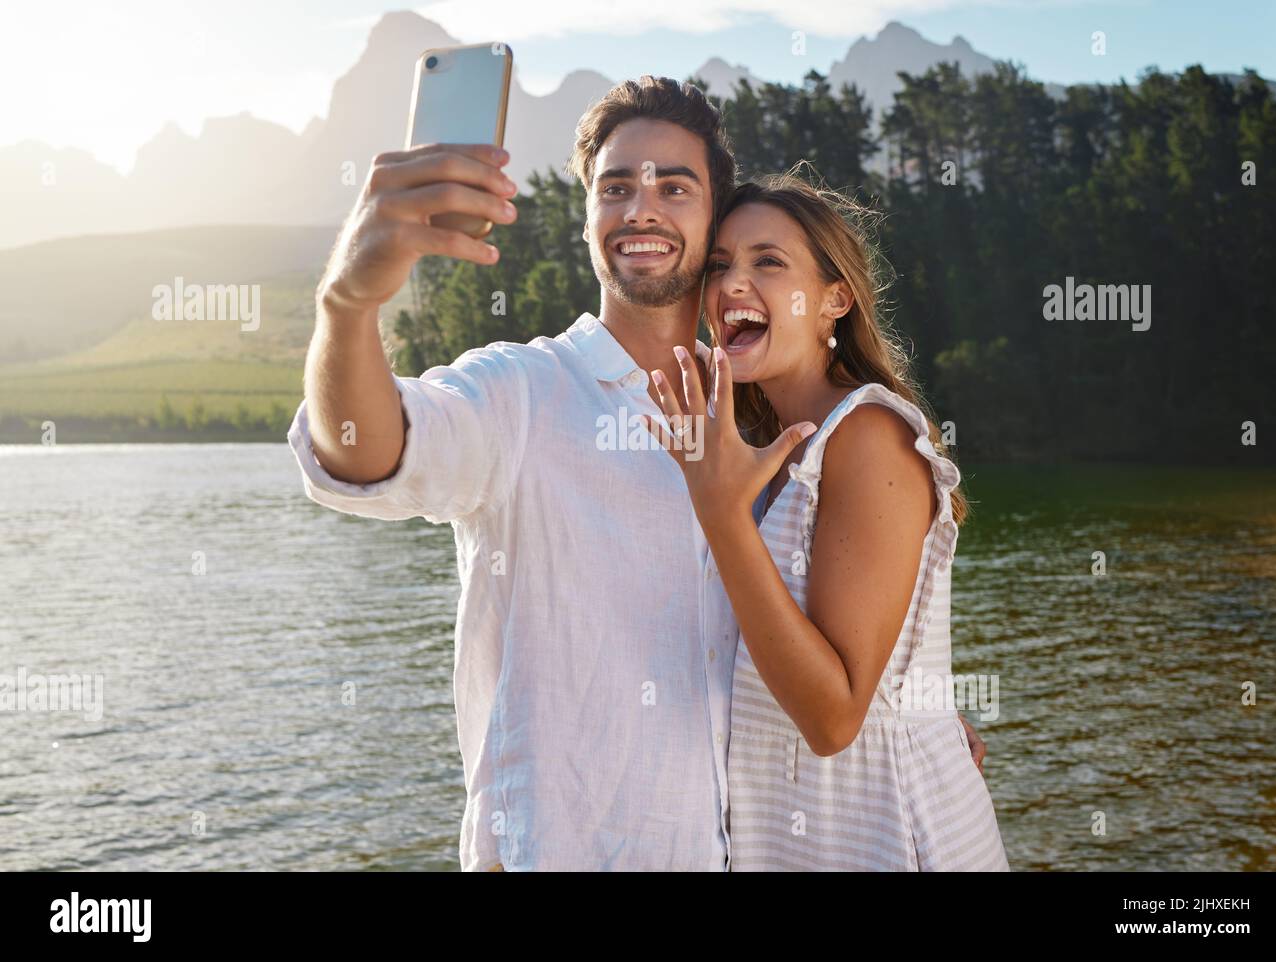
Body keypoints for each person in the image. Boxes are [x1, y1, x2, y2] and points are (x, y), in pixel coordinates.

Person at [287, 76, 986, 871]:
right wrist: (346, 304)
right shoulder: (521, 394)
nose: (641, 206)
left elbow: (830, 650)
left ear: (709, 218)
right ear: (587, 219)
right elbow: (364, 450)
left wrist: (915, 715)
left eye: (674, 186)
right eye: (615, 186)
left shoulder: (766, 429)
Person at [640, 168, 1009, 870]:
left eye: (768, 263)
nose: (730, 285)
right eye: (719, 266)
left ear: (834, 300)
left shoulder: (868, 436)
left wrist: (720, 514)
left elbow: (834, 719)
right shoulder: (759, 456)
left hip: (884, 834)